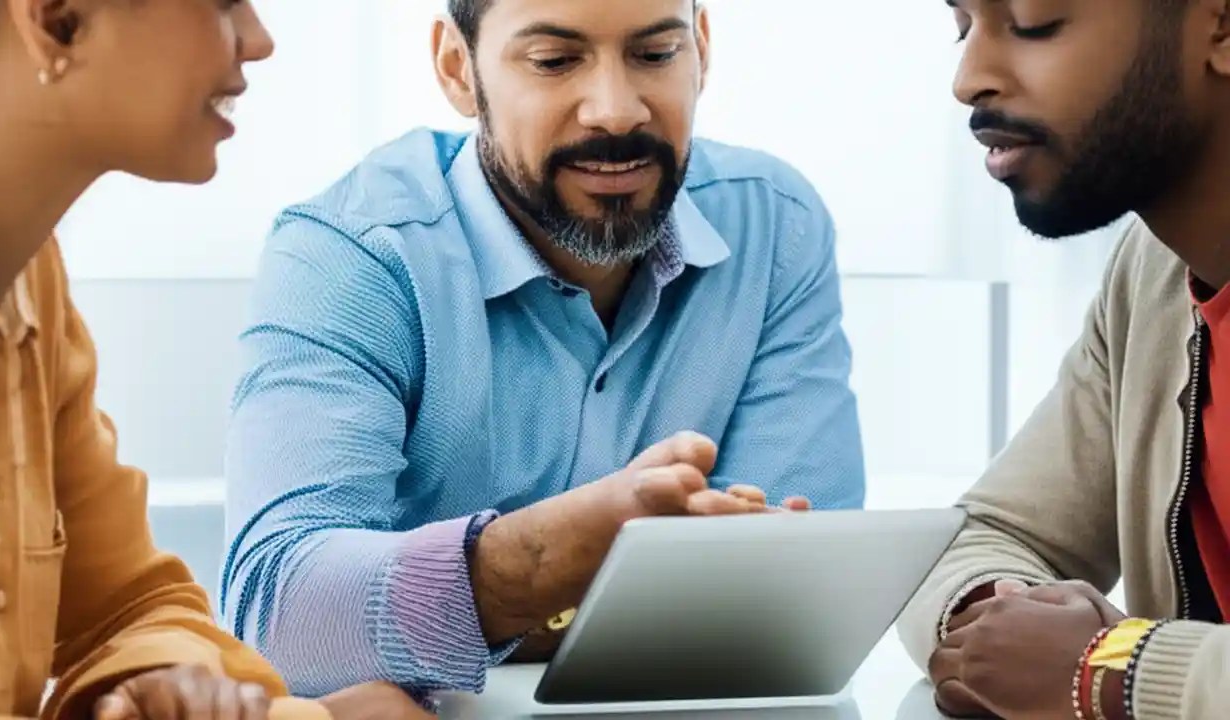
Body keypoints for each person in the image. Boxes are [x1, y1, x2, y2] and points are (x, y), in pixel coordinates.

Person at [221, 0, 865, 698]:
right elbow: (276, 612)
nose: (616, 113)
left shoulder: (776, 225)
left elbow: (799, 597)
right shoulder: (350, 253)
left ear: (701, 48)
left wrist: (461, 612)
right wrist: (541, 560)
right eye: (555, 61)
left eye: (655, 56)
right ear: (456, 69)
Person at [0, 1, 429, 718]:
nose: (258, 42)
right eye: (222, 3)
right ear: (56, 19)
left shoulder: (30, 287)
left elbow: (133, 605)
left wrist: (155, 687)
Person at [898, 0, 1230, 718]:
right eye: (963, 25)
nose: (969, 77)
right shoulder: (1153, 277)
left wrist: (1121, 670)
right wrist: (1004, 620)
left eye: (1031, 21)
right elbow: (986, 536)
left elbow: (1104, 669)